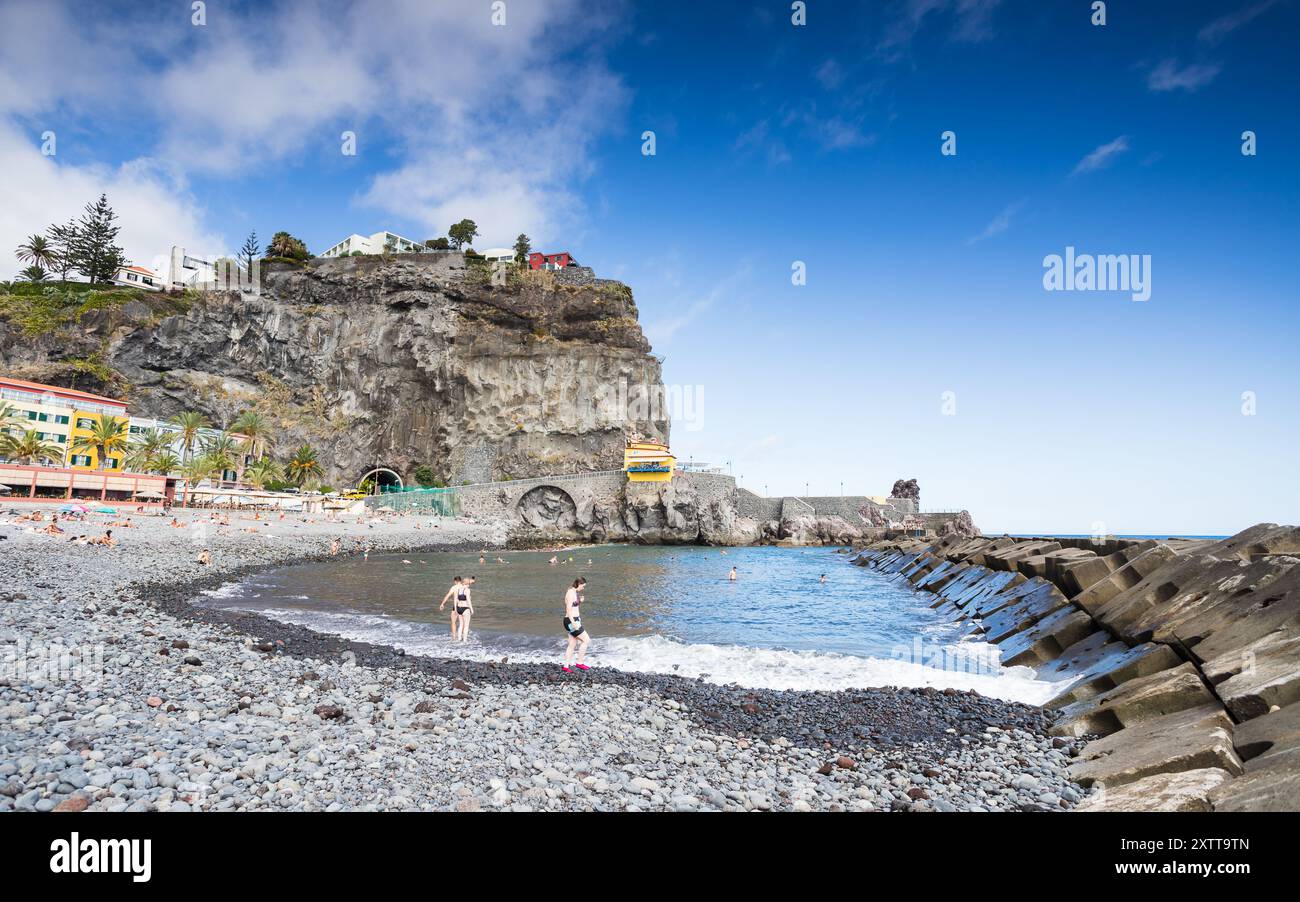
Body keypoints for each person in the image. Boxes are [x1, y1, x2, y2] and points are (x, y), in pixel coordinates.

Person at [562, 577, 590, 672]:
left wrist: (579, 602)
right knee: (586, 640)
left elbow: (573, 606)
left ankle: (566, 666)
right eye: (583, 586)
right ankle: (580, 663)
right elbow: (568, 609)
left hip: (573, 620)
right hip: (571, 621)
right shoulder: (570, 593)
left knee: (572, 644)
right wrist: (573, 623)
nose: (583, 588)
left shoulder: (573, 592)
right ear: (578, 584)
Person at [455, 576, 476, 642]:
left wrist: (456, 609)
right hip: (465, 608)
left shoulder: (458, 589)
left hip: (459, 608)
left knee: (461, 625)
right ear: (467, 584)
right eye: (469, 584)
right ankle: (465, 641)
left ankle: (459, 639)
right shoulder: (467, 590)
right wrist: (472, 609)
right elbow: (468, 601)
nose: (469, 585)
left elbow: (456, 600)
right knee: (466, 626)